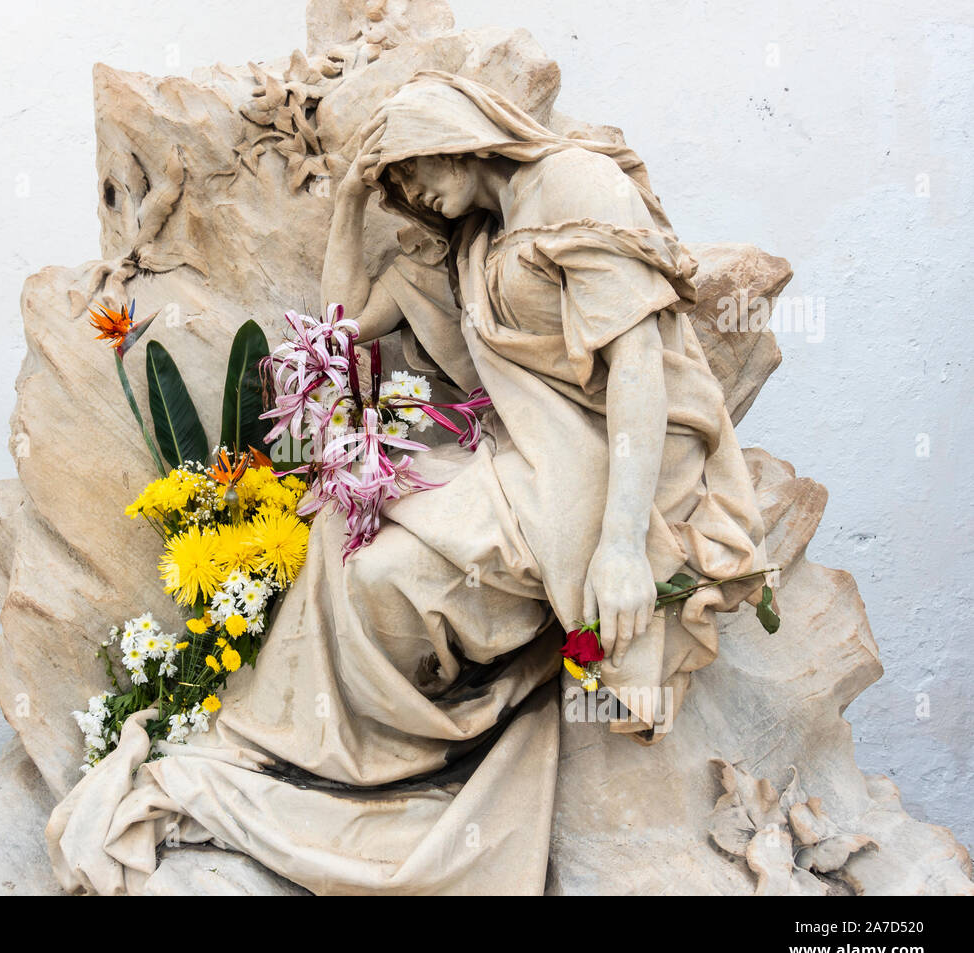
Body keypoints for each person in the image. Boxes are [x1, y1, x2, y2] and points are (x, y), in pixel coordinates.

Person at [46, 71, 768, 895]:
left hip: (607, 461)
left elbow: (639, 366)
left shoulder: (573, 184)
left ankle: (388, 756)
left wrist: (622, 547)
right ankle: (313, 751)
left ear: (455, 133)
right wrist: (352, 195)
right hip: (528, 453)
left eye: (411, 168)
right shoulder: (471, 244)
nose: (412, 191)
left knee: (389, 573)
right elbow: (341, 320)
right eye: (396, 184)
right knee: (339, 529)